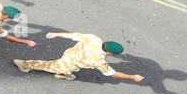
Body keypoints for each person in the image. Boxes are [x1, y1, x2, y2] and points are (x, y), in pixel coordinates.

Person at [13, 34, 143, 82]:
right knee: (47, 65)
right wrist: (132, 77)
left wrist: (56, 34)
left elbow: (74, 36)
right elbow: (112, 74)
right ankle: (25, 65)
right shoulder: (98, 61)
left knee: (62, 67)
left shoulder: (94, 38)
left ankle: (63, 74)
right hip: (70, 63)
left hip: (70, 53)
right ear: (109, 53)